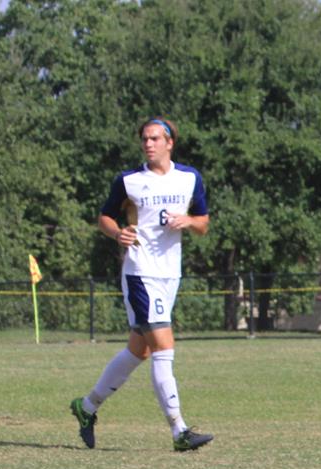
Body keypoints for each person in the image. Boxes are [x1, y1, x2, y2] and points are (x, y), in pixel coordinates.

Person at [70, 117, 214, 451]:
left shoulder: (190, 178)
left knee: (140, 350)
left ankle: (86, 407)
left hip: (170, 274)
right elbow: (104, 217)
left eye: (154, 139)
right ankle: (179, 431)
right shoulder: (129, 181)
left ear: (169, 143)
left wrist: (188, 221)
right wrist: (116, 232)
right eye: (144, 139)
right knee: (164, 347)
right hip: (140, 273)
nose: (148, 144)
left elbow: (204, 223)